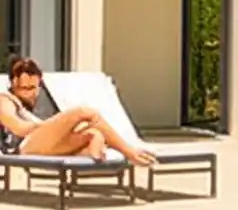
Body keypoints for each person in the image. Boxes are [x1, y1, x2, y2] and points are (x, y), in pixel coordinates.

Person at [0, 57, 156, 166]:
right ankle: (130, 152)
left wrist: (63, 127)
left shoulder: (37, 103)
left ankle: (96, 162)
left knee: (93, 133)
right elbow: (19, 128)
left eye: (34, 88)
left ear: (40, 84)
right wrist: (57, 124)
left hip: (43, 144)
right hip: (23, 147)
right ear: (13, 83)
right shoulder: (6, 100)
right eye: (24, 88)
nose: (30, 93)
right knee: (83, 112)